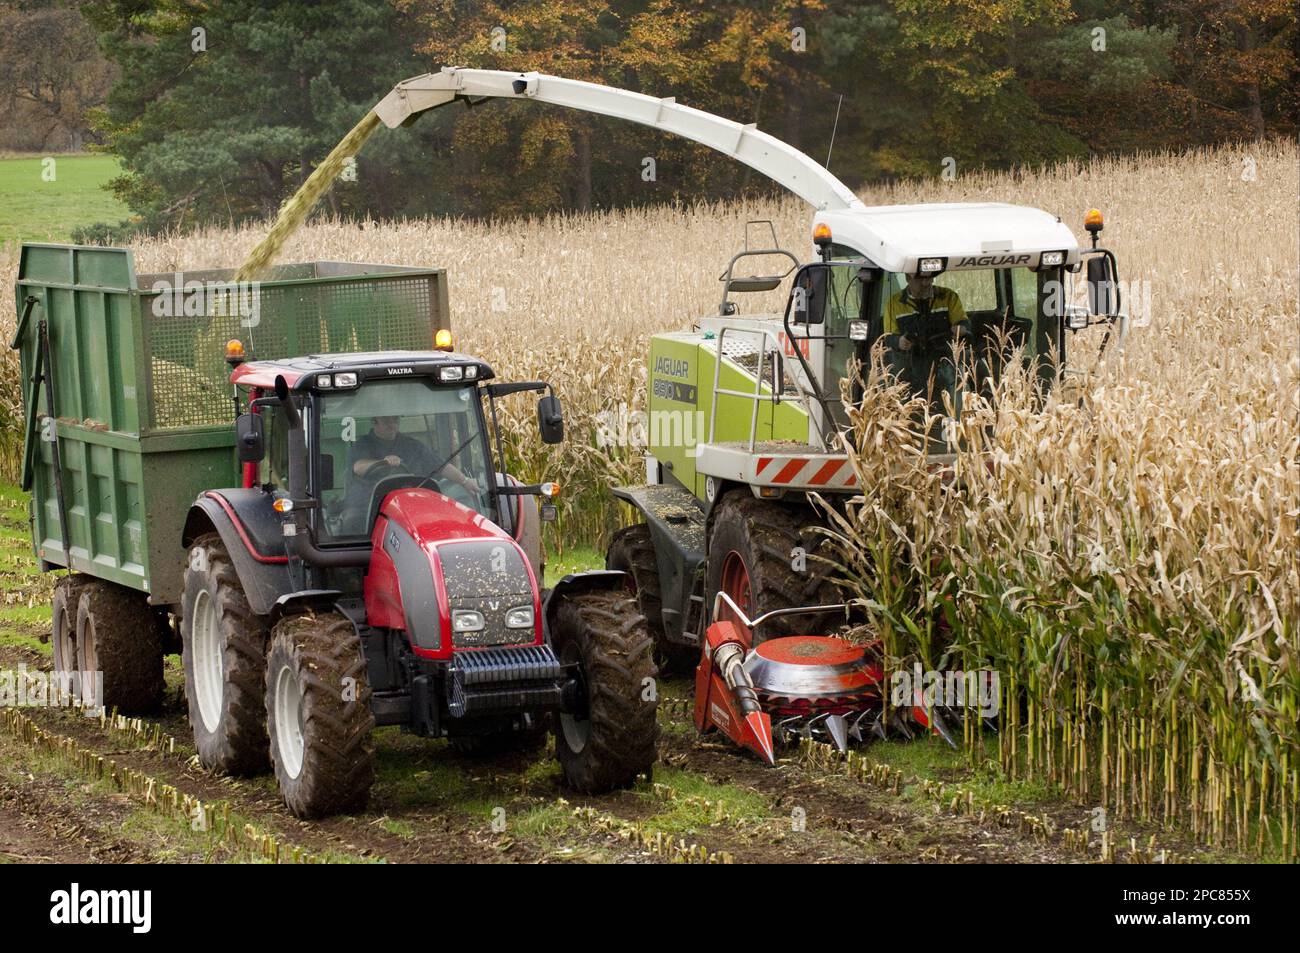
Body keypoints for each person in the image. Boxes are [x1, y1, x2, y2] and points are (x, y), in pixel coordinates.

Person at [349, 416, 480, 494]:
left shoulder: (411, 445)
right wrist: (383, 463)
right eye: (386, 421)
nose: (392, 425)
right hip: (370, 500)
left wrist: (465, 481)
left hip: (410, 498)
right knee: (352, 520)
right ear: (374, 422)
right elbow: (358, 467)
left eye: (395, 420)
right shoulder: (363, 444)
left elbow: (440, 465)